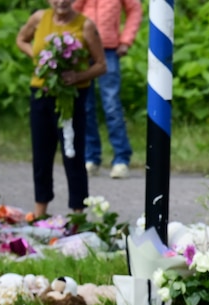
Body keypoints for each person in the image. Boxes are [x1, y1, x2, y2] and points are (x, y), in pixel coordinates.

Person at [16, 0, 107, 219]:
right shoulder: (39, 18)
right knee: (41, 153)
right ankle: (40, 210)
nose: (61, 2)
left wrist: (77, 77)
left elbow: (101, 65)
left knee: (73, 153)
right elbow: (21, 39)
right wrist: (36, 56)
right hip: (42, 93)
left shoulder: (85, 25)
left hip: (72, 96)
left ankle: (78, 212)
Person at [72, 0, 140, 180]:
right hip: (83, 48)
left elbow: (134, 10)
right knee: (85, 105)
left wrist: (126, 40)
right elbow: (72, 10)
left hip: (109, 49)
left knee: (111, 105)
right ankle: (91, 157)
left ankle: (121, 159)